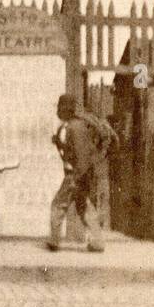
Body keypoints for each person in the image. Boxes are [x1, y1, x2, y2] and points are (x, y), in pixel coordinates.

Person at [48, 94, 108, 252]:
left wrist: (77, 176)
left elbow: (81, 155)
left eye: (59, 107)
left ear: (65, 109)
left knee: (57, 206)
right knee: (84, 207)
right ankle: (97, 242)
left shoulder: (74, 127)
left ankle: (54, 241)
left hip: (75, 175)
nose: (57, 111)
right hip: (80, 174)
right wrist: (59, 142)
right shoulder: (75, 126)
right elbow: (74, 151)